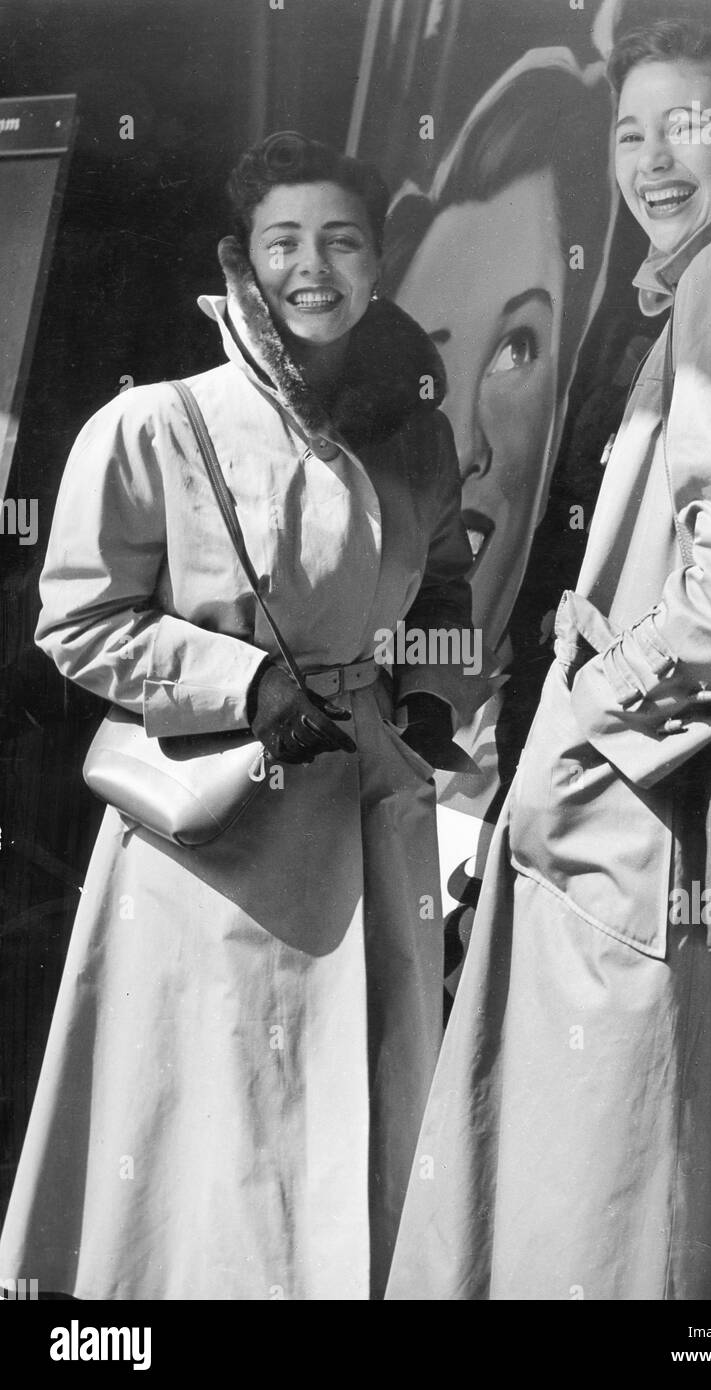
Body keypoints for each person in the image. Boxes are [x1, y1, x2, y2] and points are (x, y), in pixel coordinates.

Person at [386, 18, 711, 1300]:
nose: (649, 160)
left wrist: (600, 696)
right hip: (644, 836)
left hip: (631, 841)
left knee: (587, 1199)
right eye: (630, 130)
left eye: (685, 127)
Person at [0, 131, 488, 1300]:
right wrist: (250, 686)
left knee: (357, 1103)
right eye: (285, 244)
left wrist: (423, 698)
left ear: (377, 265)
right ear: (242, 263)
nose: (312, 269)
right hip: (215, 834)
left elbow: (450, 587)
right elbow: (78, 622)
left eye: (342, 243)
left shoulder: (411, 437)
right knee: (216, 1115)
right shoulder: (156, 425)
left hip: (369, 814)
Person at [381, 50, 613, 984]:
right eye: (434, 372)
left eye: (518, 347)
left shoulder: (574, 719)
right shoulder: (342, 694)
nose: (468, 440)